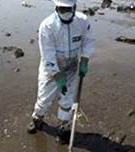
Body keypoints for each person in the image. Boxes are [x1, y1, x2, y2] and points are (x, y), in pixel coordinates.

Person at [27, 0, 95, 143]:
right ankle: (37, 118)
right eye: (62, 9)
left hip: (71, 66)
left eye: (68, 9)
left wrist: (85, 59)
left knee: (67, 99)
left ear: (75, 7)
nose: (65, 12)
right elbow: (47, 53)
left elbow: (89, 40)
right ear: (56, 7)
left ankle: (63, 127)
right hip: (51, 66)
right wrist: (56, 75)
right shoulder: (48, 26)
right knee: (44, 97)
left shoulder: (82, 22)